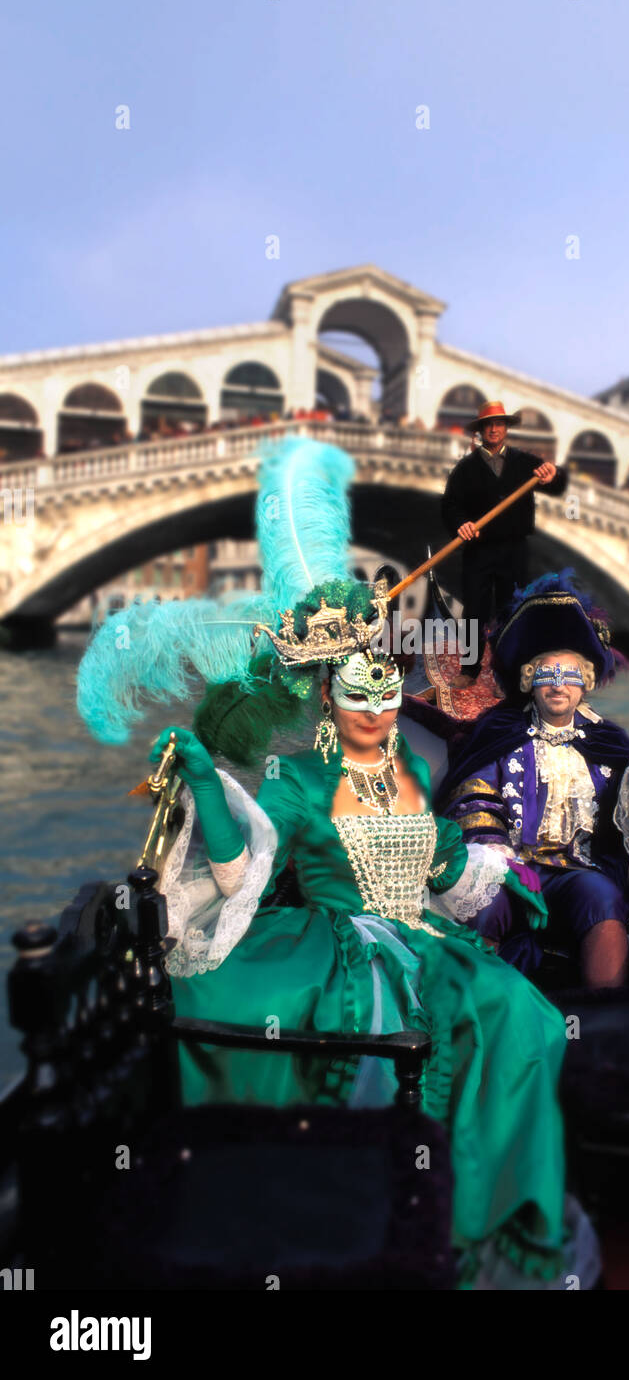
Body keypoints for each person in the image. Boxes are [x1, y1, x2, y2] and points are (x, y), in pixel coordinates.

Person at [76, 435, 593, 1289]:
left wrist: (513, 879)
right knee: (293, 1008)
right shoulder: (293, 783)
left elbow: (445, 861)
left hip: (422, 935)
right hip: (333, 939)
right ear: (329, 698)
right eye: (358, 694)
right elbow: (241, 867)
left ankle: (481, 1213)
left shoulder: (417, 770)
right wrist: (205, 781)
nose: (377, 708)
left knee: (527, 1019)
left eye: (386, 692)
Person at [438, 571, 629, 987]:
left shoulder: (607, 740)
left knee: (604, 900)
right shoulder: (498, 732)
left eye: (570, 675)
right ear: (529, 681)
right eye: (547, 674)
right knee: (484, 906)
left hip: (577, 870)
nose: (558, 685)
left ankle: (602, 1018)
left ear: (585, 683)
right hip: (511, 869)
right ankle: (477, 1010)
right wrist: (499, 860)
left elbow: (627, 827)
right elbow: (474, 800)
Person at [441, 401, 567, 687]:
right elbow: (450, 505)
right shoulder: (466, 468)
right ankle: (469, 671)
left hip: (513, 548)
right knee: (474, 611)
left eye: (499, 424)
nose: (494, 429)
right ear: (481, 431)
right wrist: (461, 523)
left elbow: (558, 485)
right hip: (478, 550)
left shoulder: (525, 463)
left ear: (506, 428)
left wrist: (554, 475)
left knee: (510, 610)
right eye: (488, 425)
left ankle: (505, 674)